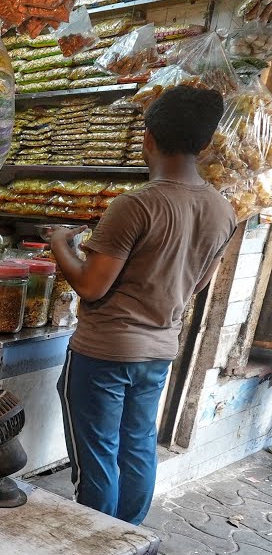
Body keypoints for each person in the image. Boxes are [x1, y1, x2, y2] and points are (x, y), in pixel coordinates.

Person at [51, 86, 236, 526]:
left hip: (105, 350)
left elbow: (92, 287)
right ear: (206, 144)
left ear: (146, 138)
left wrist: (61, 245)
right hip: (159, 350)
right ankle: (127, 538)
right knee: (137, 444)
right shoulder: (222, 209)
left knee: (96, 451)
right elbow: (198, 283)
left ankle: (97, 543)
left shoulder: (135, 205)